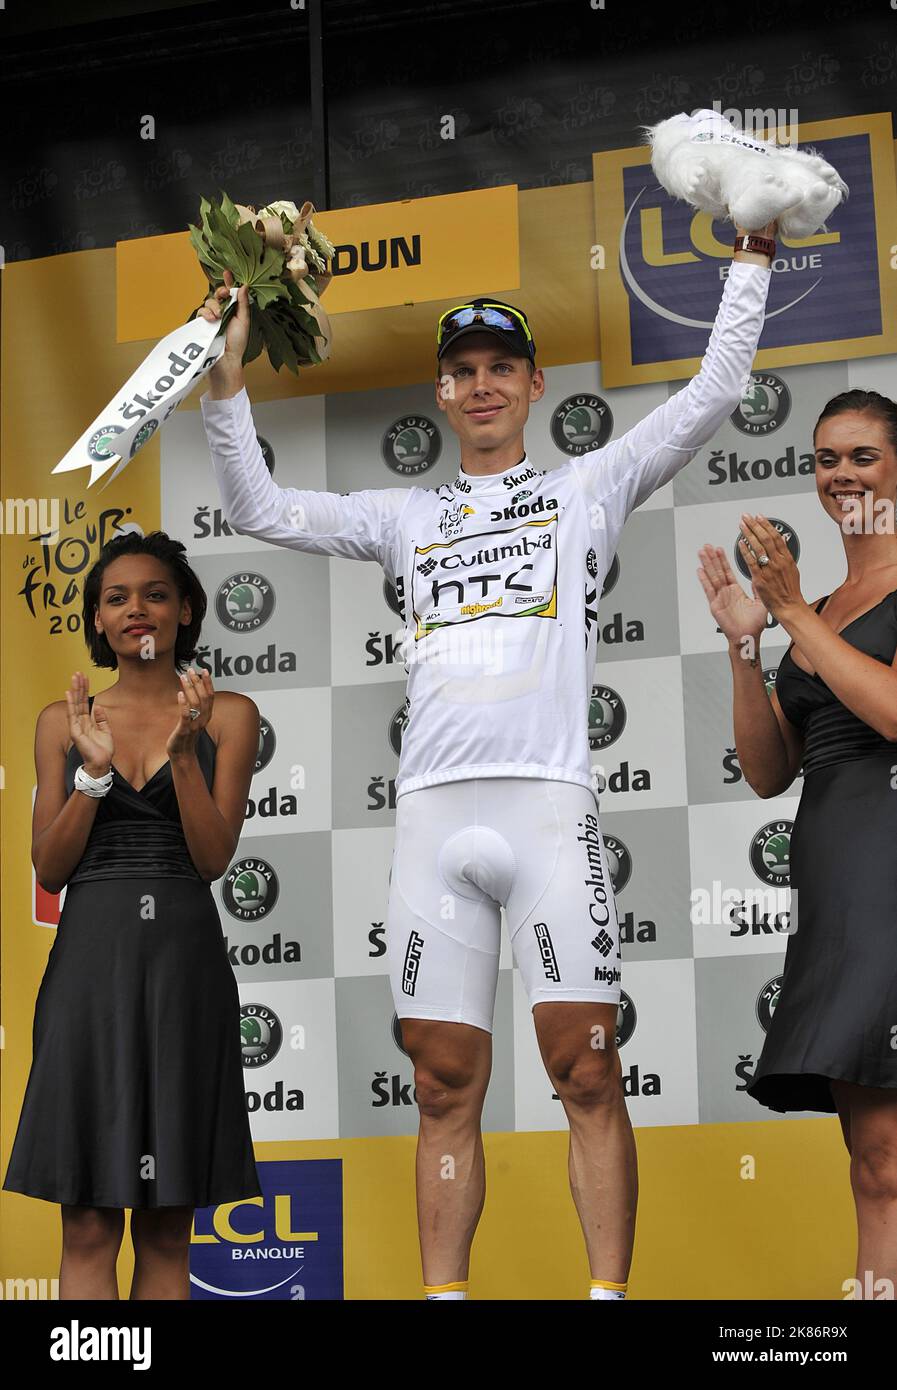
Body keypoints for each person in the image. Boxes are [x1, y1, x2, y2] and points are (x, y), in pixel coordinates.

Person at [197, 221, 775, 1300]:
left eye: (500, 367)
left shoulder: (587, 487)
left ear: (535, 384)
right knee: (442, 1086)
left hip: (546, 813)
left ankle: (607, 1298)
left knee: (589, 1072)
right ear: (443, 396)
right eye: (460, 371)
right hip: (432, 824)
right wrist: (226, 380)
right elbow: (256, 507)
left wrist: (747, 256)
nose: (480, 385)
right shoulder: (405, 515)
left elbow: (715, 388)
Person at [2, 531, 262, 1300]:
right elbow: (50, 865)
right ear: (98, 620)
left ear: (185, 610)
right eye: (116, 598)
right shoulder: (62, 720)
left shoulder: (229, 715)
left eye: (153, 594)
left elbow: (213, 857)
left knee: (163, 1224)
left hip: (183, 964)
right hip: (90, 963)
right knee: (86, 1221)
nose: (136, 610)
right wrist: (93, 773)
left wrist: (184, 753)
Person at [697, 389, 897, 1293]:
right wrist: (747, 644)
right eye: (825, 459)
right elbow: (770, 768)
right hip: (838, 886)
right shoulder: (811, 603)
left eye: (861, 455)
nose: (841, 474)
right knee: (874, 1155)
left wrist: (792, 616)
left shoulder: (814, 608)